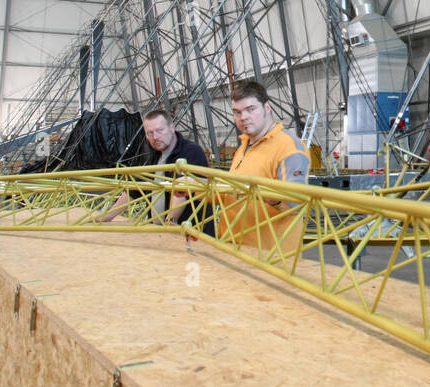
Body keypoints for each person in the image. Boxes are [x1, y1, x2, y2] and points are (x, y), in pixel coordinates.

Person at [217, 80, 310, 257]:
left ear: (267, 108)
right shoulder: (244, 146)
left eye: (251, 109)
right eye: (237, 112)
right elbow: (229, 193)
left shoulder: (289, 147)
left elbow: (297, 202)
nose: (243, 117)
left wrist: (275, 200)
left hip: (271, 257)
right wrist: (195, 186)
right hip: (235, 249)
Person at [100, 109, 212, 231]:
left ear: (172, 128)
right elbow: (134, 189)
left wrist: (171, 220)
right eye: (149, 133)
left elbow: (182, 192)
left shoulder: (192, 152)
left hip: (193, 232)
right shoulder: (151, 155)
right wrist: (107, 216)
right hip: (160, 232)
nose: (155, 137)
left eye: (160, 130)